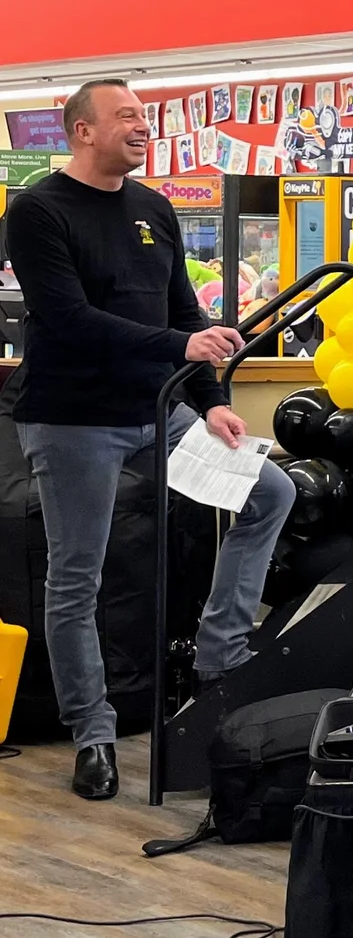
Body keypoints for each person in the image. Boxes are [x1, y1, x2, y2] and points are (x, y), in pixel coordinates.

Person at [7, 79, 295, 800]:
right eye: (126, 116)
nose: (142, 127)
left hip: (161, 412)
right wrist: (183, 345)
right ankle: (93, 733)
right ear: (81, 131)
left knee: (270, 492)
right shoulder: (37, 210)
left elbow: (180, 310)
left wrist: (213, 402)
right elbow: (70, 320)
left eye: (144, 116)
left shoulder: (154, 209)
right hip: (75, 422)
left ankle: (219, 655)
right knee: (78, 577)